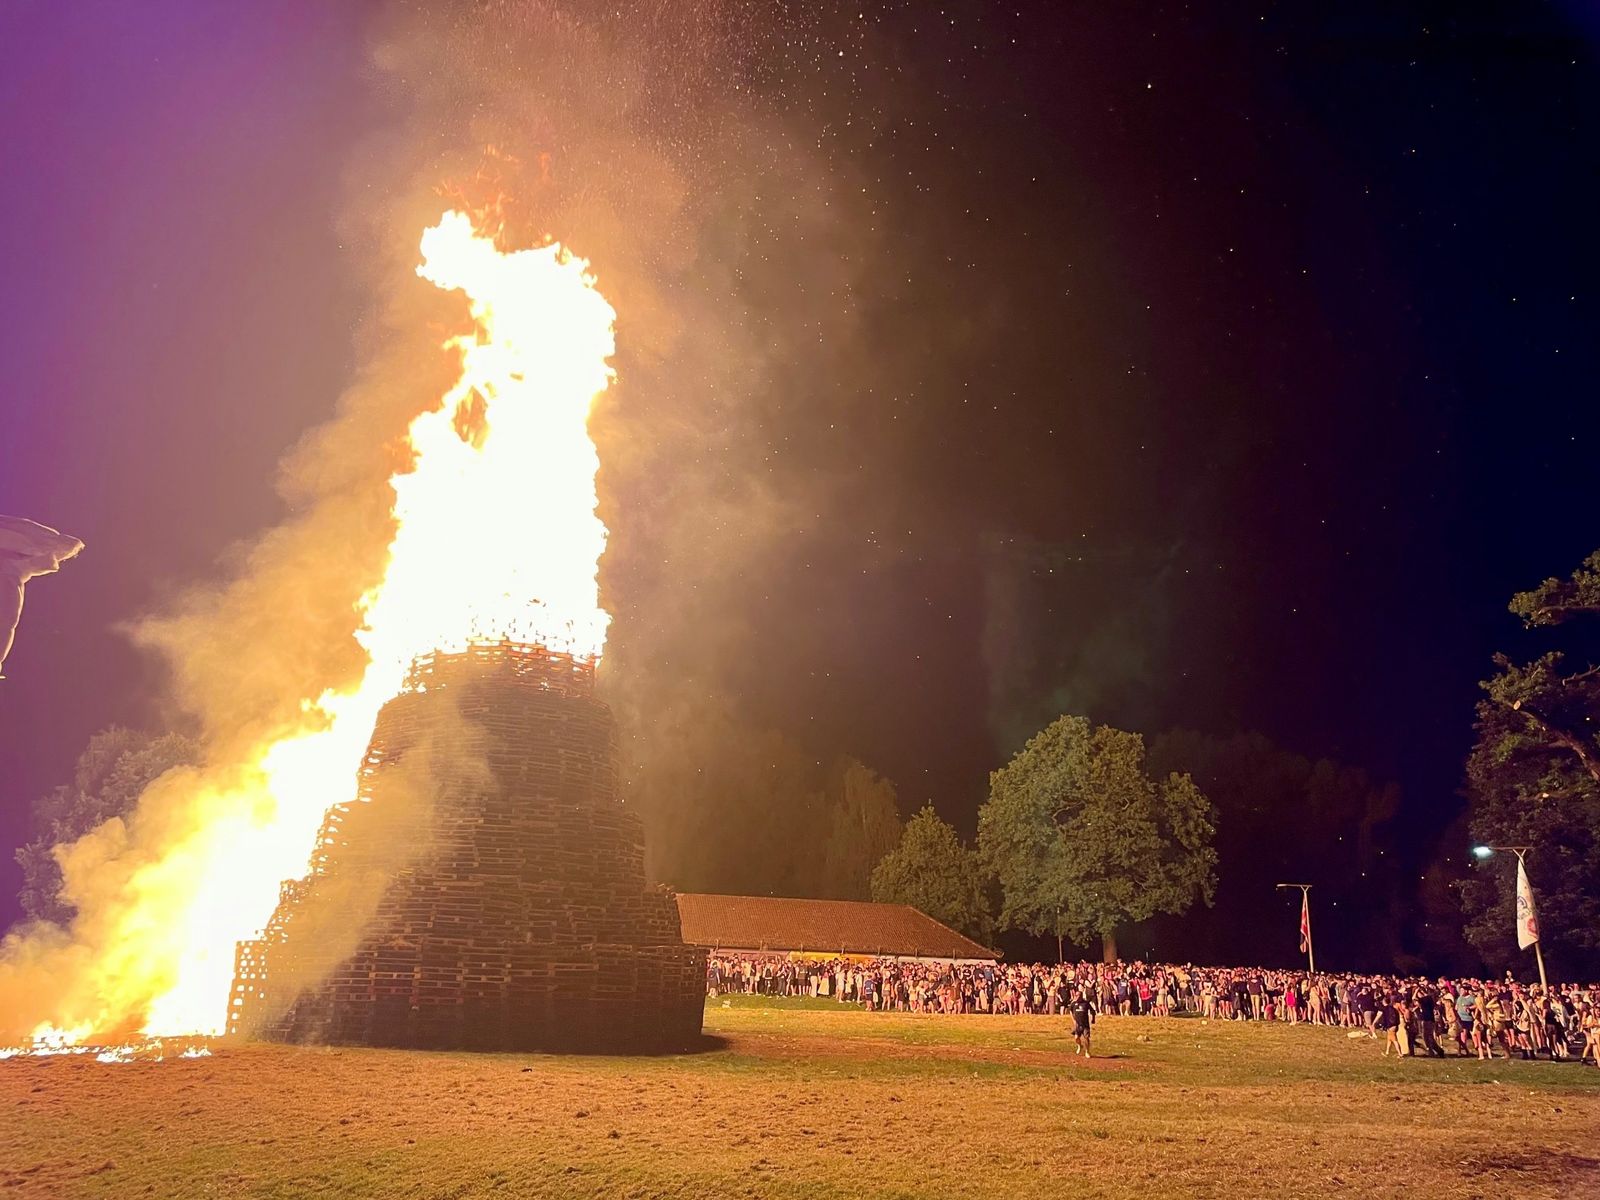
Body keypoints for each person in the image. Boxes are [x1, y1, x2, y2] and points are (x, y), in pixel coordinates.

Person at [1070, 987, 1097, 1058]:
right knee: (1076, 1038)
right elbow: (1070, 1011)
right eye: (1076, 995)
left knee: (1086, 1038)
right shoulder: (1074, 1004)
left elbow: (1093, 1011)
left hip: (1085, 1024)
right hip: (1077, 1024)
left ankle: (1087, 1051)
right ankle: (1079, 1045)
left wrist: (1093, 1019)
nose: (1077, 997)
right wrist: (1073, 1020)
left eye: (1078, 995)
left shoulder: (1086, 1003)